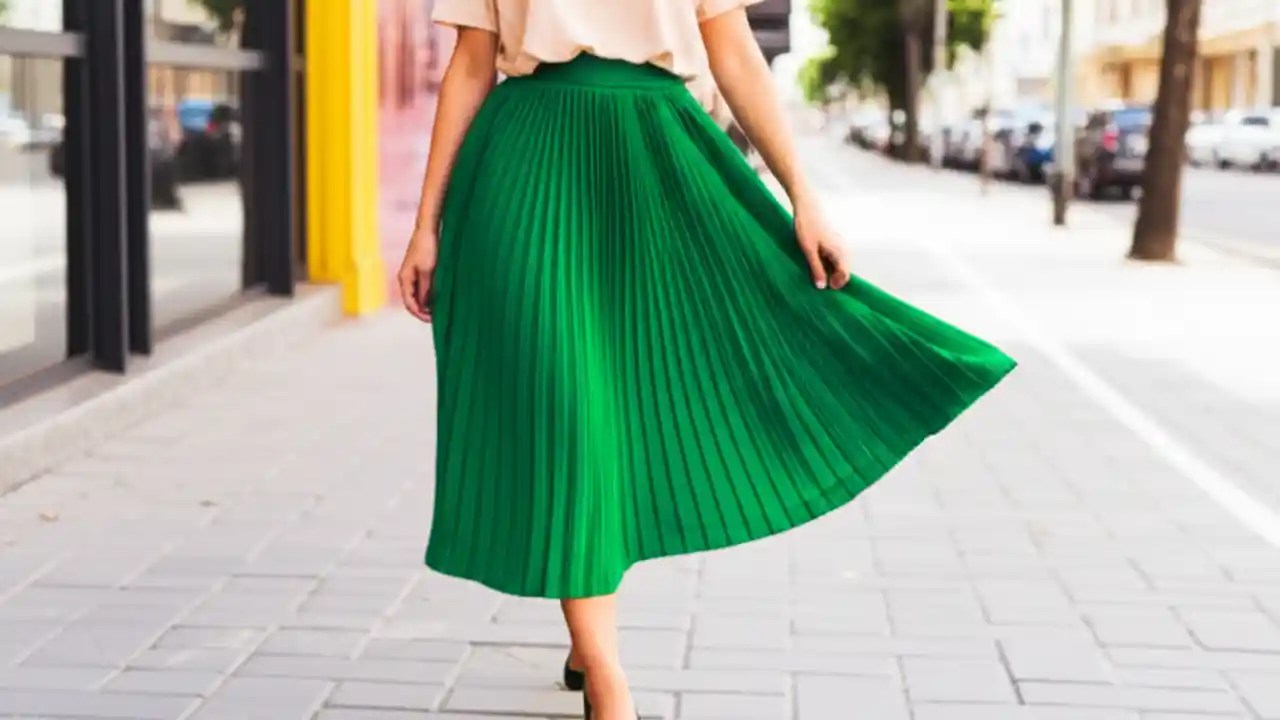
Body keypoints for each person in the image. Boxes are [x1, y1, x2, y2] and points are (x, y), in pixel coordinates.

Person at [397, 1, 1017, 718]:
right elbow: (471, 64)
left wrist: (803, 198)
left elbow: (735, 53)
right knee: (564, 407)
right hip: (525, 164)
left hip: (662, 162)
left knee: (632, 405)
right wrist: (425, 226)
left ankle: (585, 609)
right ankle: (607, 677)